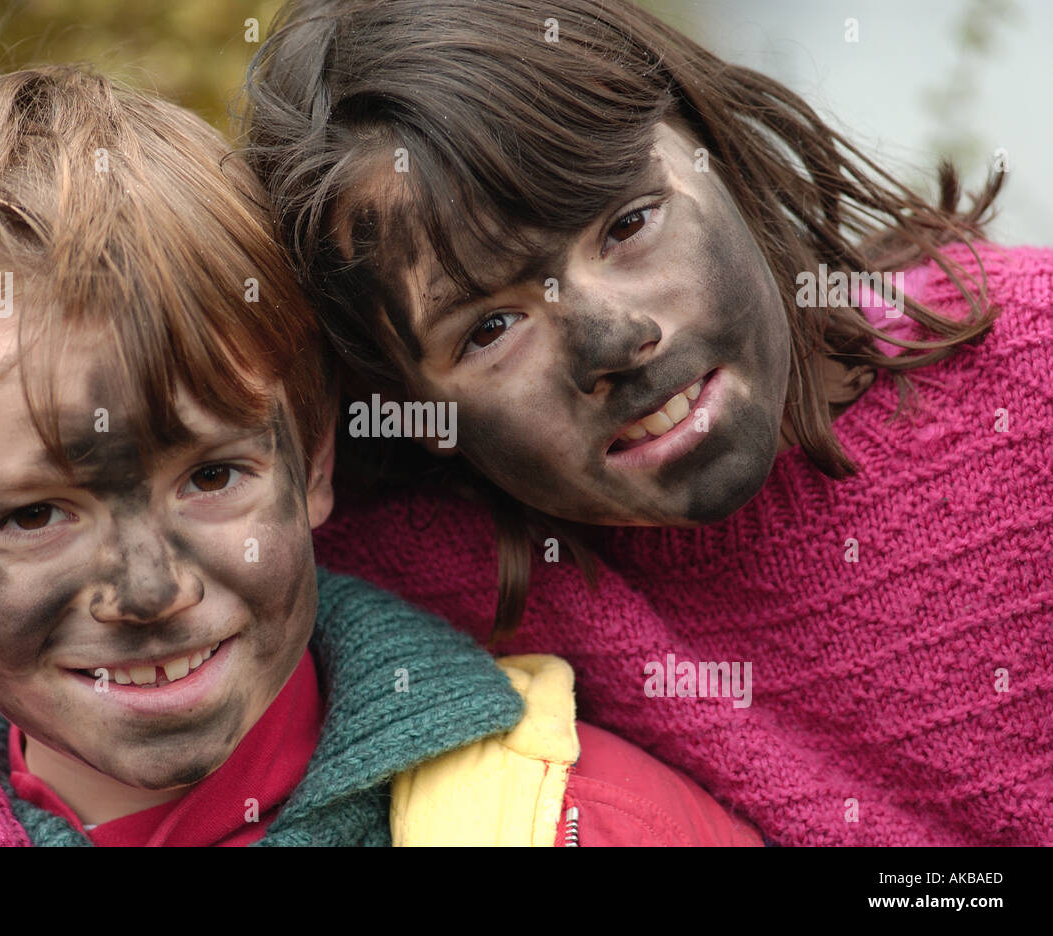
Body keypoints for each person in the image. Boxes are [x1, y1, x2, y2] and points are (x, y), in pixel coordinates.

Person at [0, 65, 761, 847]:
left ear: (316, 455)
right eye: (32, 515)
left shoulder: (592, 826)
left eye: (210, 476)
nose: (145, 591)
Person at [240, 0, 1053, 844]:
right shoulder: (412, 572)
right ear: (410, 411)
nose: (614, 341)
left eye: (628, 223)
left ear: (716, 151)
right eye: (489, 328)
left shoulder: (1031, 379)